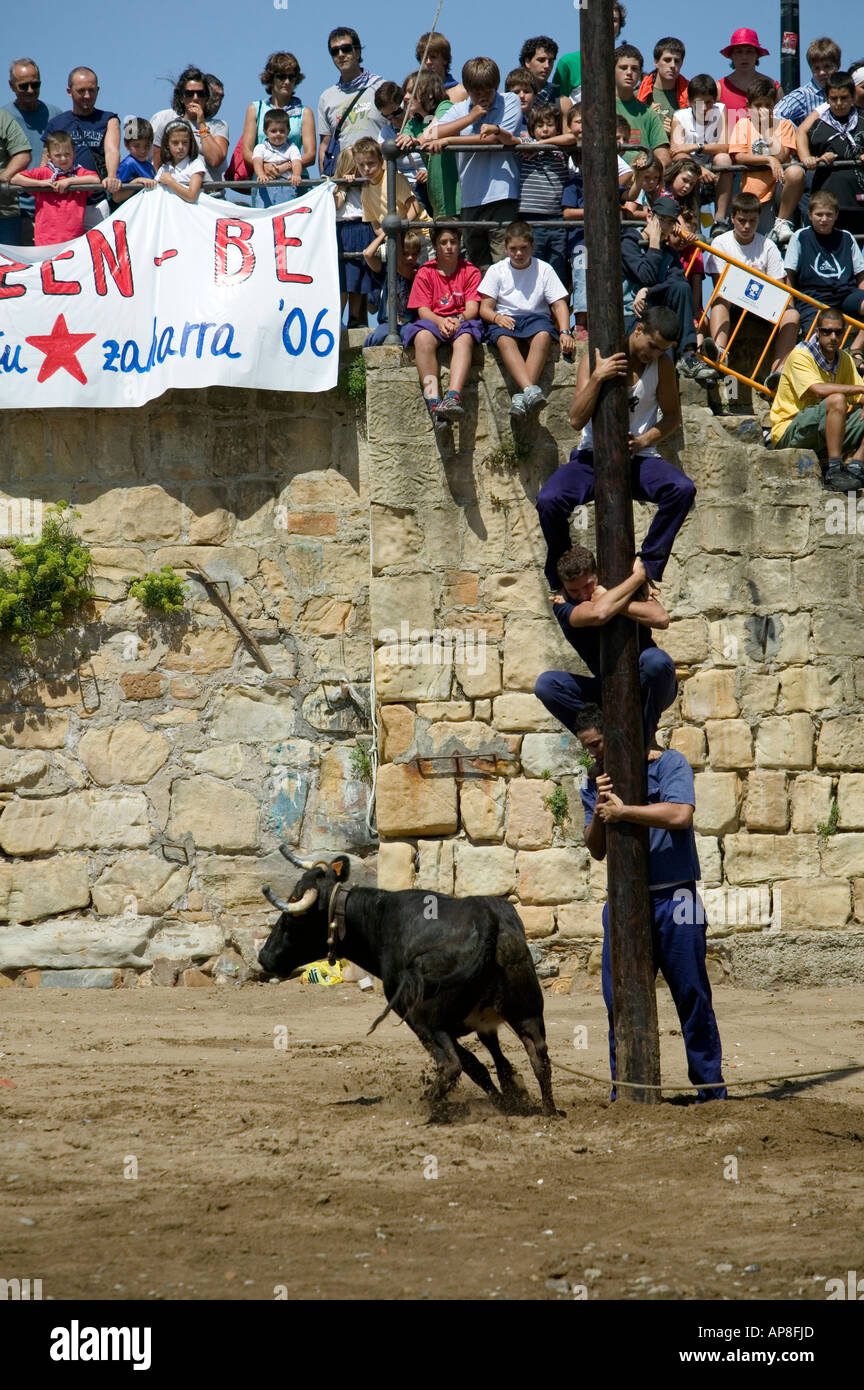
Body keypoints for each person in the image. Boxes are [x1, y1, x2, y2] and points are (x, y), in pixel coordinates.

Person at [576, 703, 727, 1104]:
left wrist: (625, 811)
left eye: (597, 745)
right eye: (587, 749)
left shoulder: (669, 763)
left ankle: (711, 1091)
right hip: (625, 901)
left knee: (692, 994)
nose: (593, 755)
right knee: (618, 999)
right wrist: (600, 809)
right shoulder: (594, 781)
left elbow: (679, 815)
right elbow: (596, 851)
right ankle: (625, 1087)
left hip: (677, 896)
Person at [536, 305, 695, 589]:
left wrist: (644, 440)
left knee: (682, 490)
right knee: (550, 499)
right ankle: (562, 574)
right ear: (638, 330)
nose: (654, 354)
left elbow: (672, 417)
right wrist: (599, 377)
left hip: (639, 458)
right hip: (591, 457)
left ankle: (647, 564)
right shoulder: (596, 358)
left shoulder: (663, 366)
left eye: (662, 350)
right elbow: (575, 419)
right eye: (652, 345)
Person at [536, 547, 675, 748]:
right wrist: (638, 578)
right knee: (546, 685)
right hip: (607, 688)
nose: (582, 594)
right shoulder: (563, 605)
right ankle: (602, 740)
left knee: (656, 661)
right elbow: (599, 613)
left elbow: (661, 618)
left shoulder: (619, 586)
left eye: (588, 586)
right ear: (564, 588)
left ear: (597, 575)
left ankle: (647, 738)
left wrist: (612, 599)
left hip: (650, 682)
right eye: (573, 590)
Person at [431, 57, 523, 272]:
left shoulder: (509, 101)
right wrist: (470, 118)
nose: (482, 96)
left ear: (496, 87)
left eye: (488, 91)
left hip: (502, 196)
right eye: (476, 91)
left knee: (503, 266)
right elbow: (431, 133)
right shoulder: (460, 110)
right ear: (468, 89)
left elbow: (492, 140)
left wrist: (450, 140)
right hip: (470, 201)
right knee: (478, 268)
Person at [701, 191, 800, 386]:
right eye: (741, 220)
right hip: (733, 302)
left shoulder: (768, 246)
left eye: (752, 221)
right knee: (719, 300)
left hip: (762, 305)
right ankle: (720, 352)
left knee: (792, 314)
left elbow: (779, 289)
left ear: (759, 219)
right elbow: (721, 285)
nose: (746, 226)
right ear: (732, 218)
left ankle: (777, 373)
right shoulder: (721, 243)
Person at [479, 220, 575, 418]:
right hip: (506, 318)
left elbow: (559, 304)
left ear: (532, 246)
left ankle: (523, 396)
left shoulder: (544, 269)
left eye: (523, 248)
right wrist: (497, 317)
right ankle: (531, 390)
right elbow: (485, 308)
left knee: (543, 336)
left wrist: (565, 330)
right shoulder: (497, 270)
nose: (519, 254)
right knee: (505, 341)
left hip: (536, 318)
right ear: (505, 248)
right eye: (513, 249)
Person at [769, 305, 864, 491]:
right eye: (827, 332)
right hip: (789, 430)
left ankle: (856, 467)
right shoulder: (801, 355)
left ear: (844, 333)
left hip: (821, 429)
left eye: (837, 332)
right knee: (837, 399)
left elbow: (859, 395)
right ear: (817, 332)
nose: (833, 337)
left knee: (842, 401)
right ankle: (834, 470)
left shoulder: (843, 358)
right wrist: (859, 389)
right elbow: (818, 390)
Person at [621, 195, 712, 382]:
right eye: (661, 219)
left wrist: (647, 291)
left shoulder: (669, 253)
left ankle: (687, 355)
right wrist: (654, 245)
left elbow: (677, 282)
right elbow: (645, 275)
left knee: (680, 289)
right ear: (649, 216)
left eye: (670, 222)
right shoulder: (629, 242)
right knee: (660, 340)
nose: (664, 226)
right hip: (630, 314)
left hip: (656, 313)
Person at [401, 223, 482, 424]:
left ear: (459, 244)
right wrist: (440, 321)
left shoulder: (470, 271)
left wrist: (458, 320)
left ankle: (453, 396)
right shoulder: (425, 272)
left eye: (453, 242)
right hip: (433, 319)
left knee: (464, 339)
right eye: (443, 242)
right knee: (422, 339)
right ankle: (434, 401)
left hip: (461, 320)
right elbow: (423, 310)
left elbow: (472, 308)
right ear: (435, 246)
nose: (448, 247)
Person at [784, 190, 864, 359]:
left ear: (836, 215)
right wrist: (791, 307)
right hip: (812, 298)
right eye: (819, 214)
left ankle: (855, 350)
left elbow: (861, 276)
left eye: (829, 215)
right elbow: (789, 276)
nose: (824, 219)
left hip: (846, 295)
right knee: (817, 341)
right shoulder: (800, 236)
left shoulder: (847, 237)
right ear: (810, 214)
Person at [728, 76, 804, 244]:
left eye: (768, 106)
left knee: (796, 171)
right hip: (754, 194)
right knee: (761, 242)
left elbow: (783, 156)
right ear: (748, 106)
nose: (763, 110)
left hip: (779, 190)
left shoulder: (783, 125)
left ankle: (783, 221)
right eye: (758, 106)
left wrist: (767, 129)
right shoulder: (743, 124)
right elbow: (739, 155)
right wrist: (768, 159)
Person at [43, 67, 119, 226]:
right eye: (81, 91)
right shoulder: (56, 124)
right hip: (64, 203)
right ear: (69, 91)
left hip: (97, 202)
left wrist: (111, 176)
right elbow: (45, 164)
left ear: (98, 90)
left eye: (91, 90)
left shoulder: (108, 119)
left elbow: (112, 150)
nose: (87, 96)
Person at [3, 57, 61, 245]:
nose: (30, 90)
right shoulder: (4, 118)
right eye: (23, 86)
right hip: (15, 211)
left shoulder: (55, 115)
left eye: (35, 85)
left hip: (52, 206)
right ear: (12, 86)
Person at [12, 129, 101, 244]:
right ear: (49, 156)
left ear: (74, 153)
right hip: (45, 240)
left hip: (74, 240)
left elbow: (96, 179)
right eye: (58, 155)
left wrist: (69, 181)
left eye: (67, 154)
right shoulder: (43, 173)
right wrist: (41, 183)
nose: (63, 159)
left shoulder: (78, 172)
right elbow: (16, 178)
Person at [802, 71, 864, 237]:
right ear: (827, 98)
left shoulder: (862, 119)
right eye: (834, 98)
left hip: (859, 201)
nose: (839, 103)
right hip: (827, 205)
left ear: (852, 97)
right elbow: (800, 135)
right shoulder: (818, 126)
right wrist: (810, 159)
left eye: (844, 98)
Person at [670, 74, 732, 236]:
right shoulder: (679, 117)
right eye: (699, 103)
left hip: (714, 171)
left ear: (715, 101)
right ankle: (694, 224)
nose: (704, 108)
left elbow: (724, 146)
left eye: (709, 102)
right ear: (690, 102)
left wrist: (696, 146)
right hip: (691, 171)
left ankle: (720, 219)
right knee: (687, 169)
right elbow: (676, 153)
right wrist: (698, 169)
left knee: (724, 158)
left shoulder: (721, 110)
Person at [239, 53, 316, 182]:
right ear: (271, 79)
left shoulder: (305, 112)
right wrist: (263, 166)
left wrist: (286, 166)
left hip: (295, 181)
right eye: (281, 77)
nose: (286, 82)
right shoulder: (255, 109)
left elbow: (311, 155)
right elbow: (246, 151)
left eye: (291, 77)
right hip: (263, 181)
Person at [318, 27, 384, 174]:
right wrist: (327, 184)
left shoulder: (381, 87)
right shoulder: (326, 97)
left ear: (358, 52)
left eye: (346, 49)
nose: (341, 54)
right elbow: (325, 144)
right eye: (335, 51)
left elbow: (397, 127)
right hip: (345, 182)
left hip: (378, 178)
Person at [150, 68, 228, 188]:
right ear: (181, 97)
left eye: (200, 94)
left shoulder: (219, 126)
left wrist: (201, 123)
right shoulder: (167, 126)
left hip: (211, 197)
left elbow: (215, 160)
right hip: (176, 197)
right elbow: (157, 166)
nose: (195, 98)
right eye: (189, 94)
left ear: (206, 97)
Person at [517, 103, 569, 280]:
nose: (545, 129)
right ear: (532, 129)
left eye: (550, 125)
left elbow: (572, 138)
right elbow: (515, 140)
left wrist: (543, 144)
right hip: (532, 216)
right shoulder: (528, 144)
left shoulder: (561, 150)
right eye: (540, 126)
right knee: (534, 264)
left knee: (557, 265)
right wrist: (537, 145)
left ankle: (554, 304)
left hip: (556, 217)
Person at [331, 146, 379, 328]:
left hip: (363, 225)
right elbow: (338, 204)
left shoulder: (367, 183)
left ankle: (354, 318)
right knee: (344, 279)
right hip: (345, 228)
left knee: (360, 276)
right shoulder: (336, 185)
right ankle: (337, 318)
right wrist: (343, 184)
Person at [555, 1, 626, 113]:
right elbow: (557, 106)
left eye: (613, 20)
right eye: (603, 17)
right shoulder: (568, 62)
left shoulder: (627, 64)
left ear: (620, 25)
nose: (607, 23)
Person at [406, 71, 460, 217]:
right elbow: (402, 141)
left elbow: (435, 130)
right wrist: (403, 140)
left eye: (411, 92)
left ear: (429, 93)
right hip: (438, 204)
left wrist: (415, 141)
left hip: (458, 200)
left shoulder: (445, 106)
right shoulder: (414, 123)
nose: (406, 97)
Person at [362, 227, 422, 346]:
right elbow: (368, 254)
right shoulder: (388, 269)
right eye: (405, 253)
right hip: (387, 322)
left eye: (414, 254)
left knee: (409, 335)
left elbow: (401, 267)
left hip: (409, 321)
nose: (410, 258)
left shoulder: (418, 272)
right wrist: (386, 232)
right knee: (374, 339)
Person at [615, 44, 670, 169]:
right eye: (623, 68)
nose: (629, 72)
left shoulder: (649, 113)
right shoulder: (598, 109)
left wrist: (645, 167)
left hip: (642, 180)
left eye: (634, 68)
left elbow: (664, 158)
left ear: (640, 73)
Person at [351, 136, 419, 234]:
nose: (366, 169)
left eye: (371, 163)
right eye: (361, 165)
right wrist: (389, 237)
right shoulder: (365, 191)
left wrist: (398, 230)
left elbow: (414, 207)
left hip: (418, 232)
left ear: (381, 161)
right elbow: (375, 225)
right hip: (394, 236)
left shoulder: (394, 178)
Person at [775, 37, 842, 126]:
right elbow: (775, 116)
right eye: (816, 68)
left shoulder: (848, 93)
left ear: (837, 66)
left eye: (827, 67)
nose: (821, 72)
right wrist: (798, 134)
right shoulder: (802, 96)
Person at [716, 28, 780, 114]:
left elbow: (782, 123)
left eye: (749, 51)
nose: (744, 57)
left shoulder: (774, 88)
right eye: (739, 52)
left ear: (757, 55)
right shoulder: (719, 89)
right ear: (731, 55)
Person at [637, 38, 689, 136]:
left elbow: (701, 135)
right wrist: (646, 117)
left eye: (677, 61)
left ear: (682, 63)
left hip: (679, 149)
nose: (673, 65)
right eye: (667, 60)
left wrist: (677, 134)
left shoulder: (692, 95)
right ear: (656, 62)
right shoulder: (638, 95)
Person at [252, 108, 301, 206]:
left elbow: (296, 163)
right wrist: (261, 174)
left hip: (286, 185)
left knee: (286, 213)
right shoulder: (260, 148)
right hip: (265, 185)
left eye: (282, 131)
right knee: (264, 214)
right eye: (273, 131)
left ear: (288, 131)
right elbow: (257, 162)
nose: (278, 134)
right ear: (266, 132)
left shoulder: (292, 148)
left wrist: (296, 174)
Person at [0, 101, 32, 245]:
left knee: (10, 266)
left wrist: (4, 177)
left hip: (6, 214)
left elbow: (23, 154)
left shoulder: (3, 118)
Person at [155, 121, 205, 203]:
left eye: (185, 142)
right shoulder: (164, 168)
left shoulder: (196, 165)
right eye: (175, 143)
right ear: (167, 144)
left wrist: (170, 182)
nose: (180, 147)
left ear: (190, 143)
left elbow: (191, 196)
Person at [113, 118, 156, 202]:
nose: (142, 150)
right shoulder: (128, 164)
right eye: (136, 146)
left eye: (147, 146)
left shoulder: (149, 166)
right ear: (126, 144)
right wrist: (136, 182)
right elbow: (117, 197)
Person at [414, 32, 465, 100]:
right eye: (424, 58)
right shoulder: (413, 94)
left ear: (445, 59)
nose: (428, 62)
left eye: (433, 57)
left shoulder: (460, 92)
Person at [519, 37, 559, 105]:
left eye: (550, 61)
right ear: (527, 62)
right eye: (541, 60)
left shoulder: (560, 100)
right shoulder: (508, 98)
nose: (547, 66)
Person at [504, 68, 537, 134]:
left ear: (535, 95)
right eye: (516, 92)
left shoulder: (541, 120)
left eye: (526, 91)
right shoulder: (501, 118)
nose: (521, 96)